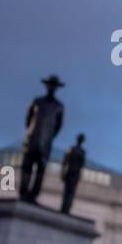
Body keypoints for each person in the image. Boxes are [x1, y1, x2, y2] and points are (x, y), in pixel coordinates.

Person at [20, 75, 65, 203]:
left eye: (54, 86)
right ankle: (23, 192)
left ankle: (34, 194)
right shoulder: (37, 101)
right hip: (32, 139)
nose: (52, 88)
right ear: (46, 86)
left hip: (45, 143)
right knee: (26, 166)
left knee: (40, 170)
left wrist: (49, 137)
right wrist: (31, 133)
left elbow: (58, 126)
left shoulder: (59, 106)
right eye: (50, 85)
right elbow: (28, 119)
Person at [60, 134, 86, 215]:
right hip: (72, 173)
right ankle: (65, 208)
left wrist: (63, 171)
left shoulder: (77, 150)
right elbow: (65, 161)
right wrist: (63, 172)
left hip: (73, 174)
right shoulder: (79, 151)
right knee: (69, 192)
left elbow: (81, 165)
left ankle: (66, 208)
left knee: (69, 192)